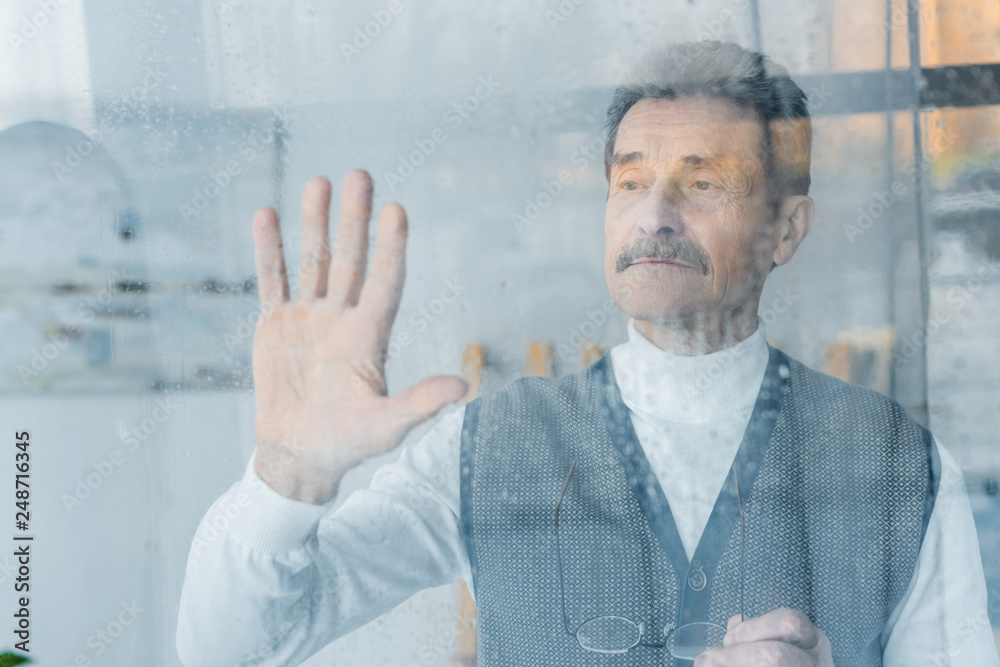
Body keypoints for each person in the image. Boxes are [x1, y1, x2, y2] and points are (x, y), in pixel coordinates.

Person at [176, 41, 999, 666]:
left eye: (703, 183)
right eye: (631, 181)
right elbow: (228, 645)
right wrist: (286, 475)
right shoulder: (485, 450)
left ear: (785, 229)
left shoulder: (897, 465)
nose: (655, 215)